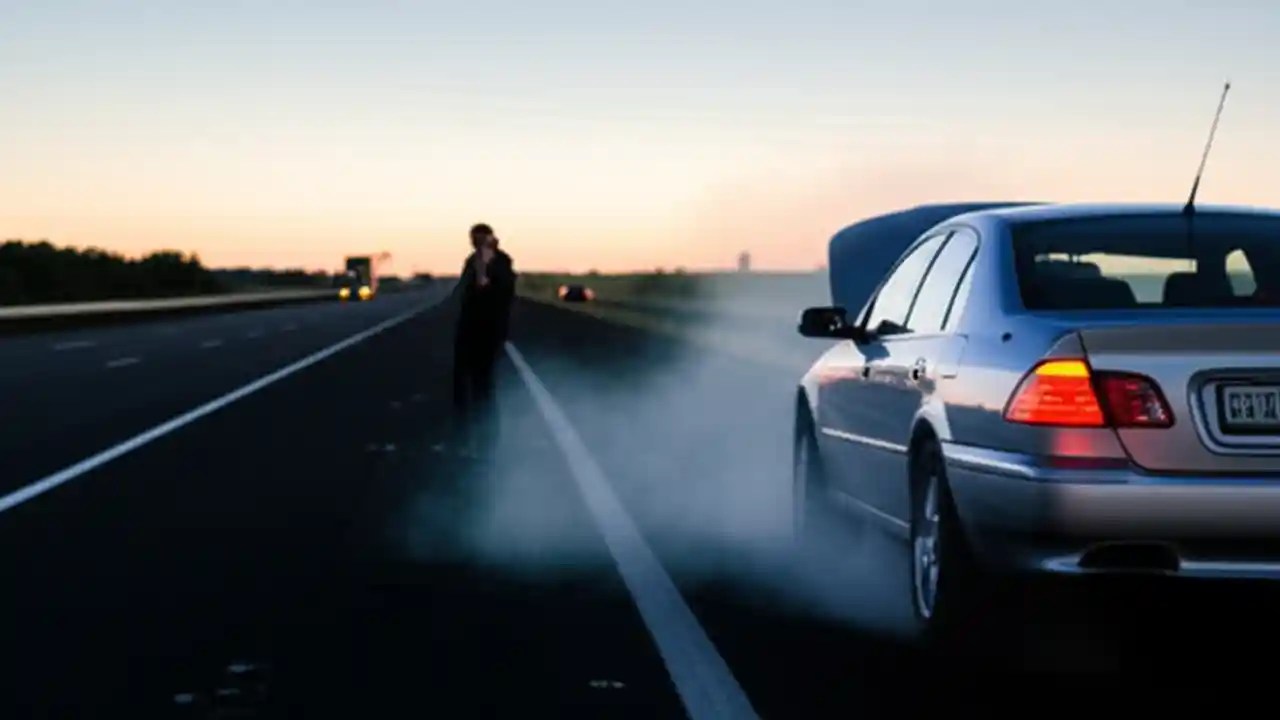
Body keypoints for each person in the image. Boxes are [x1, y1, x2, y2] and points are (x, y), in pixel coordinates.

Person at [452, 222, 516, 455]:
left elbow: (495, 291)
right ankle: (466, 434)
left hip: (488, 330)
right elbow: (465, 291)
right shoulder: (472, 261)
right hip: (468, 329)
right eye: (474, 239)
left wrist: (484, 269)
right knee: (461, 384)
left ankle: (488, 437)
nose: (475, 243)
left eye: (479, 239)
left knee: (483, 385)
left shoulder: (501, 262)